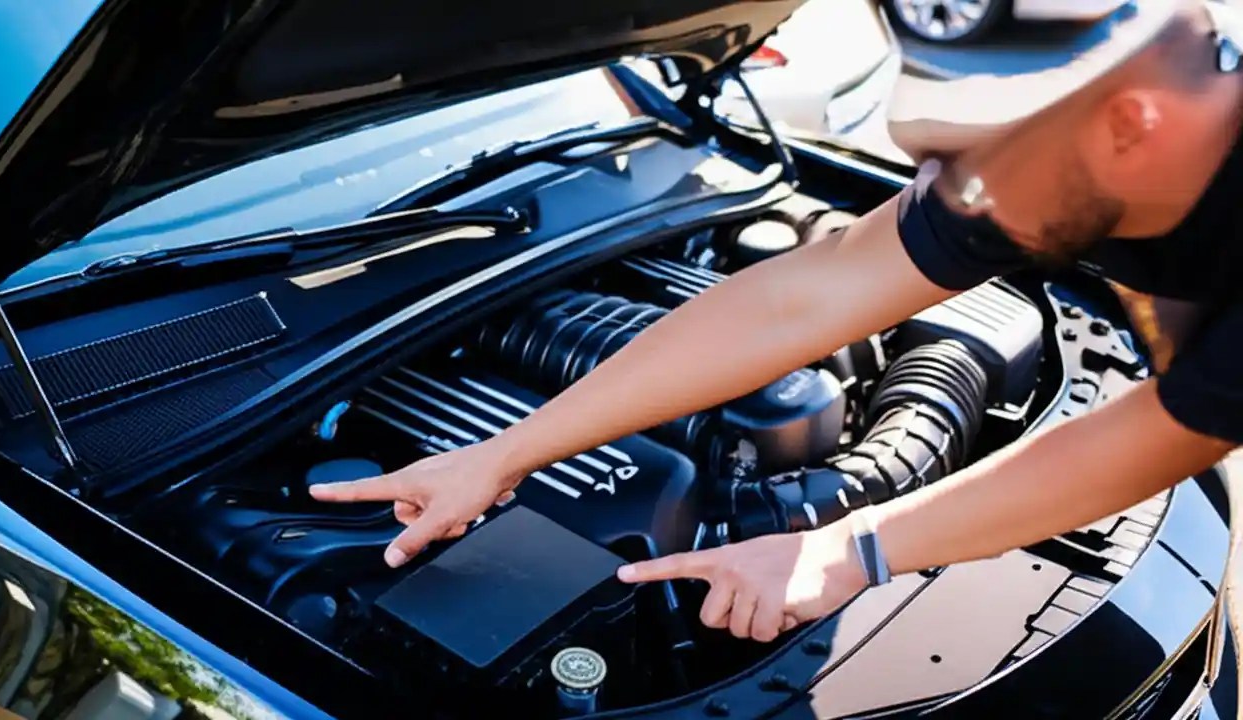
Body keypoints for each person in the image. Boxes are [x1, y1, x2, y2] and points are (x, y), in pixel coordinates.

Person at [311, 0, 1243, 644]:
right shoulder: (1045, 152)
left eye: (980, 148)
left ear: (1131, 124)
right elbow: (807, 293)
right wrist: (503, 454)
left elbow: (1160, 437)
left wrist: (852, 548)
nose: (961, 188)